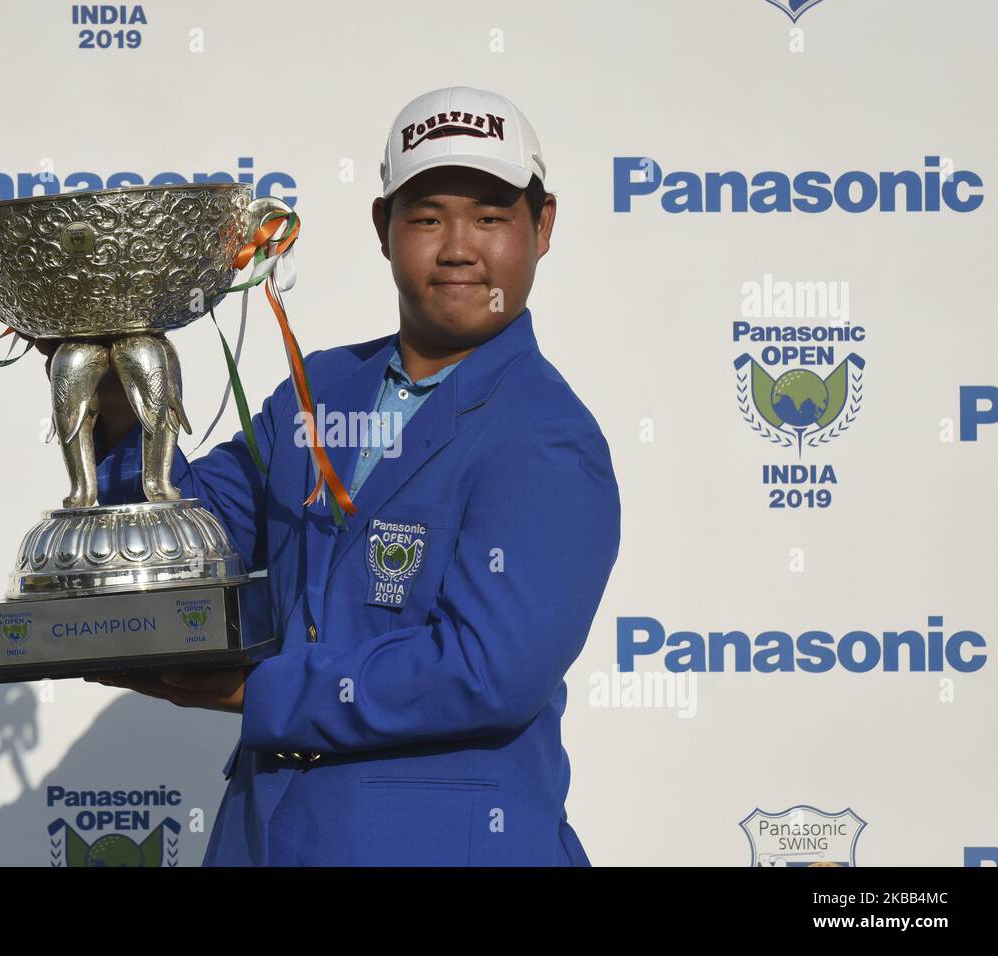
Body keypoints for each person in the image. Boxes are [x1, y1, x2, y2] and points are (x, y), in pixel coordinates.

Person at [35, 86, 621, 866]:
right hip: (265, 835)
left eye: (490, 216)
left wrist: (259, 690)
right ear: (383, 230)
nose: (458, 247)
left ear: (541, 228)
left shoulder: (548, 437)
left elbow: (488, 672)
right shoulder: (318, 392)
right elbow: (190, 532)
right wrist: (115, 399)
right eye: (426, 216)